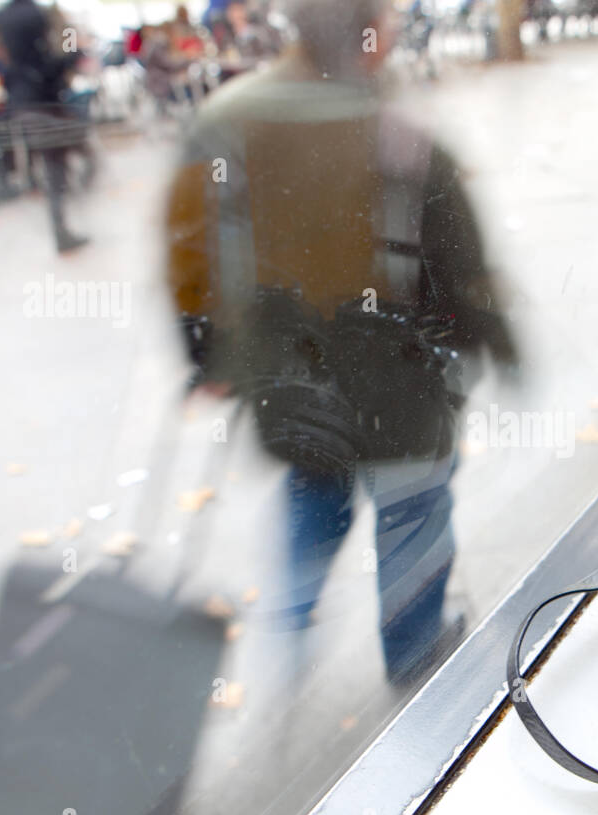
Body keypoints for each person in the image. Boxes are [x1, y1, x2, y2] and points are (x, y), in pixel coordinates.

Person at [164, 0, 518, 681]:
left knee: (313, 490)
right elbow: (459, 266)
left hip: (288, 374)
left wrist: (206, 352)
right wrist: (497, 345)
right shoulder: (404, 140)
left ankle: (287, 632)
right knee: (414, 511)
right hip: (399, 382)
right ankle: (414, 651)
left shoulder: (225, 122)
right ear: (372, 38)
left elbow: (189, 251)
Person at [0, 0, 88, 253]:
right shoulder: (40, 15)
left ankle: (62, 224)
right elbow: (53, 62)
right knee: (59, 167)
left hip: (20, 105)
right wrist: (75, 54)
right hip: (45, 104)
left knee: (52, 164)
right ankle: (62, 229)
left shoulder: (0, 18)